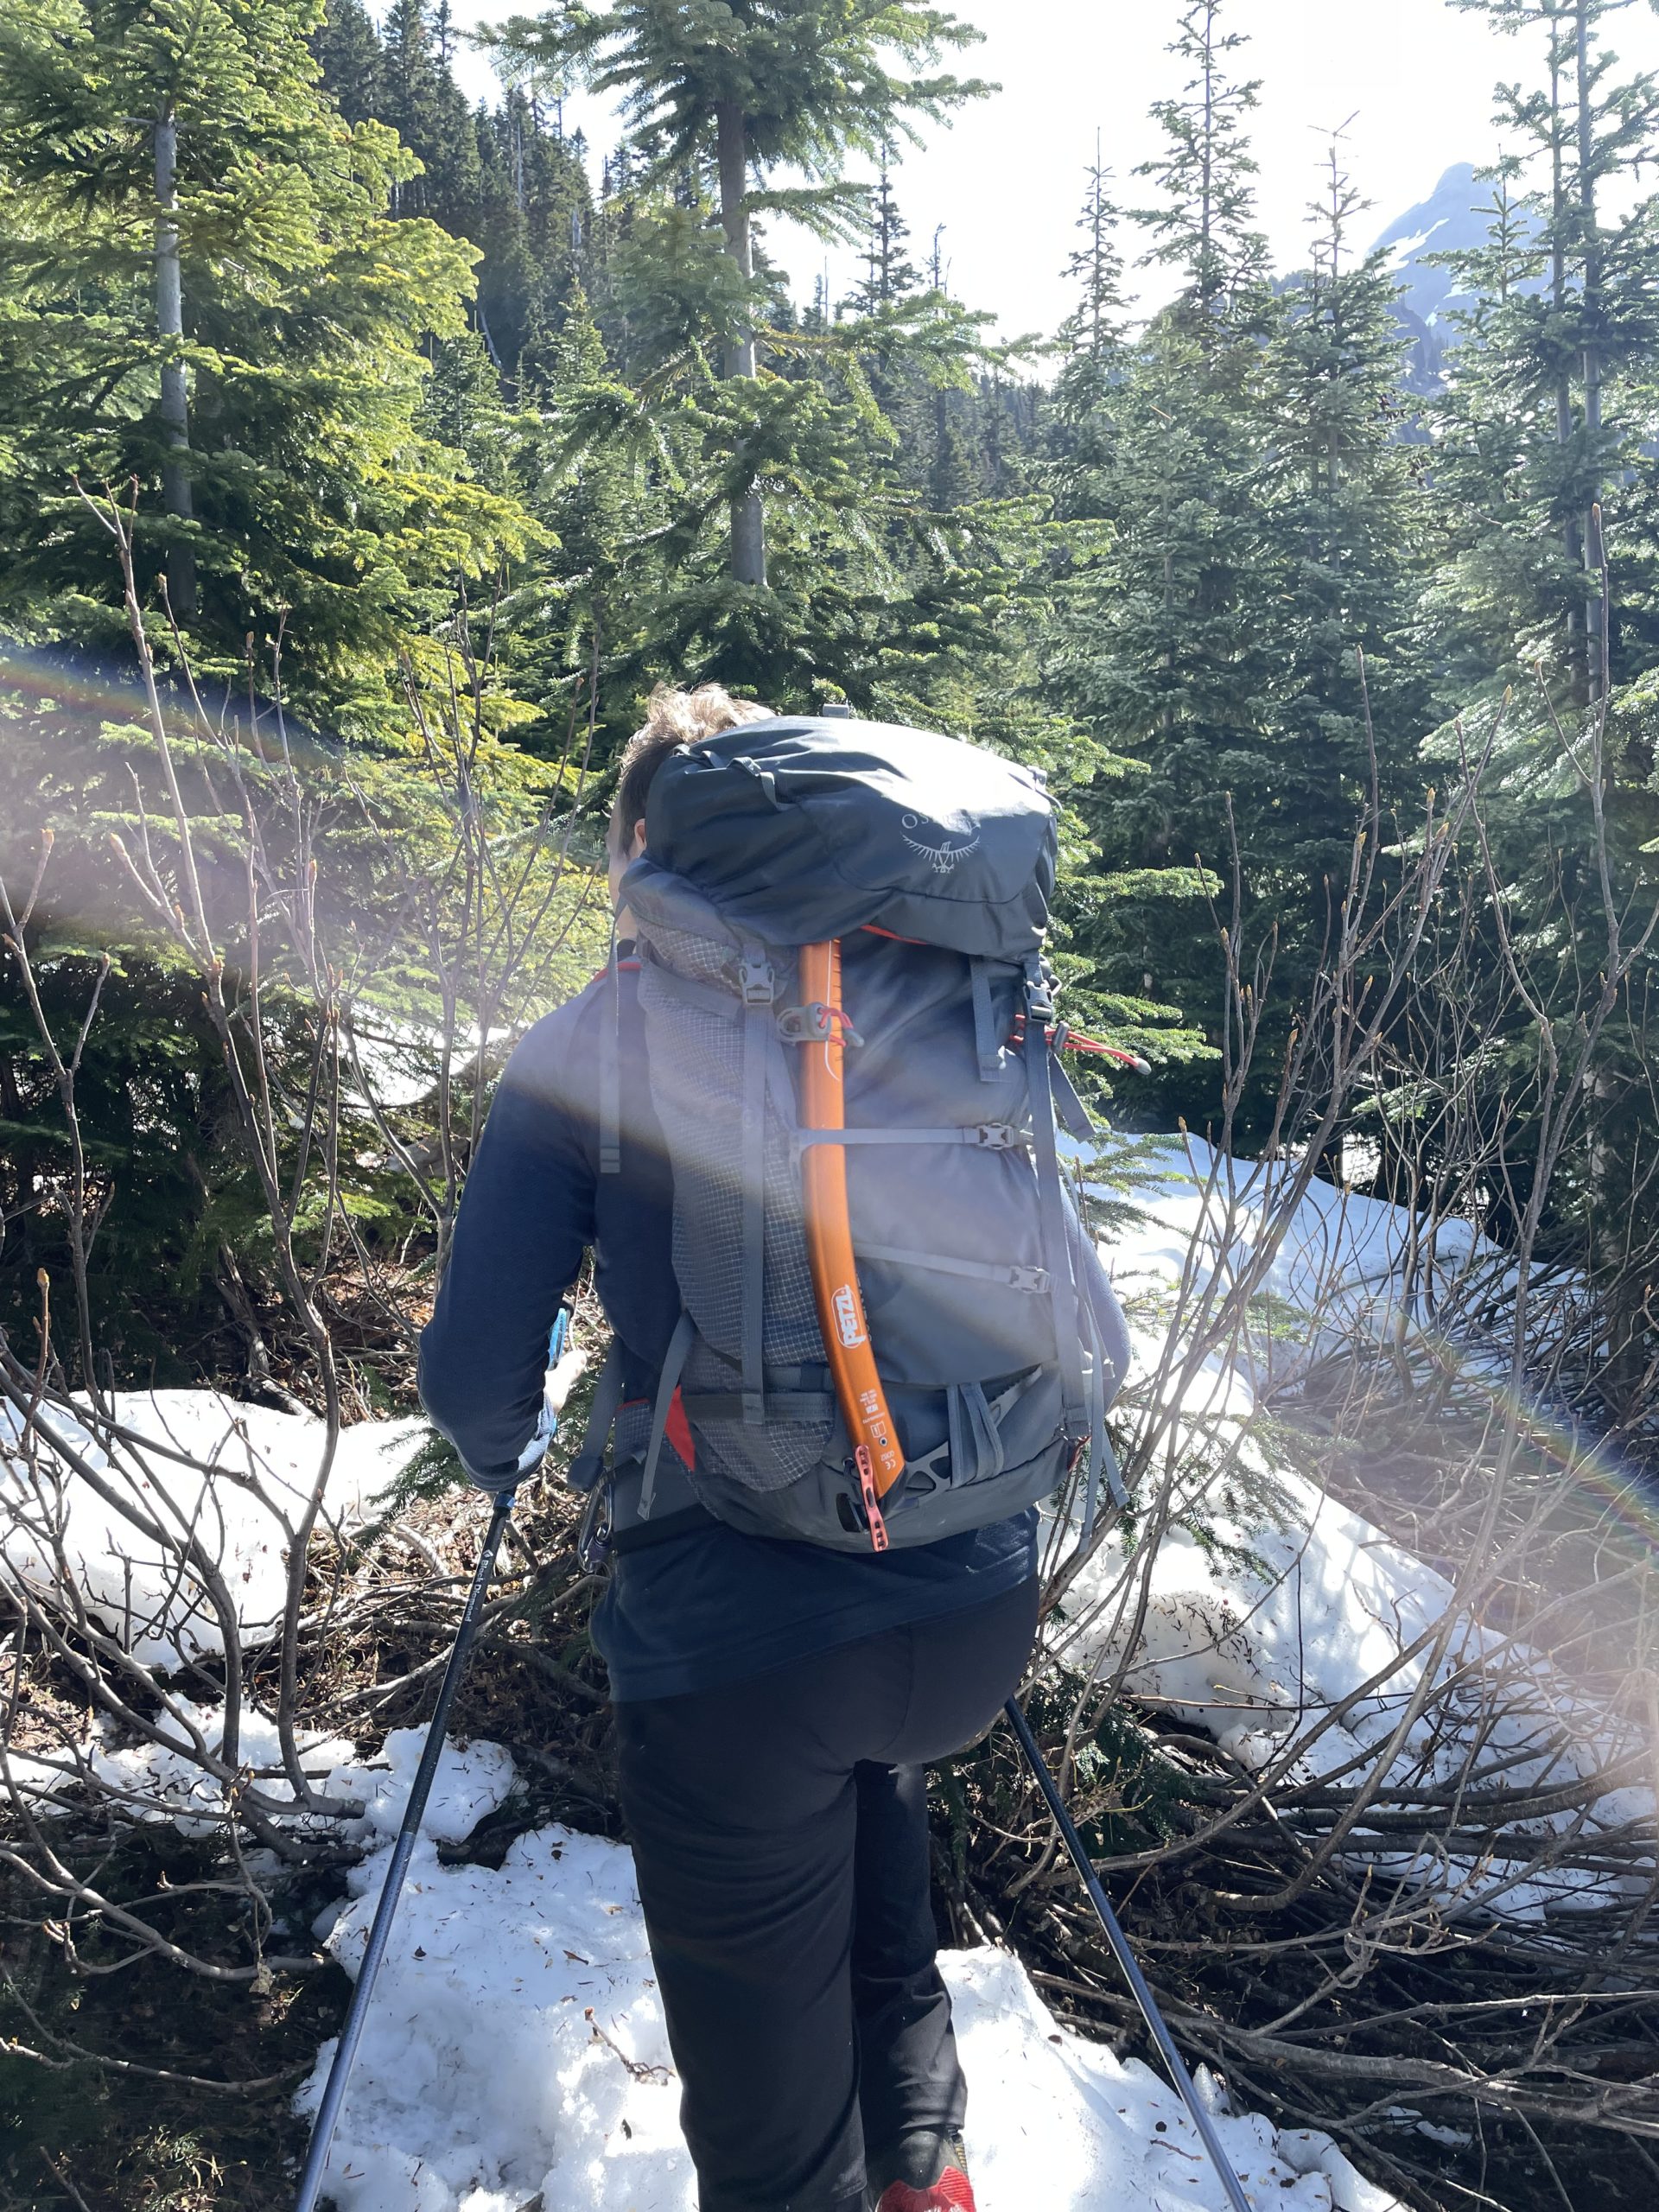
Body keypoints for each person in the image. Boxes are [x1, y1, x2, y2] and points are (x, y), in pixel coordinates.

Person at [419, 684, 1041, 2212]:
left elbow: (469, 1380)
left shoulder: (591, 1043)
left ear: (644, 851)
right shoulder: (937, 997)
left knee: (771, 2138)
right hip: (972, 1588)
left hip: (740, 1635)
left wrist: (520, 1443)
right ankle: (929, 2182)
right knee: (878, 1909)